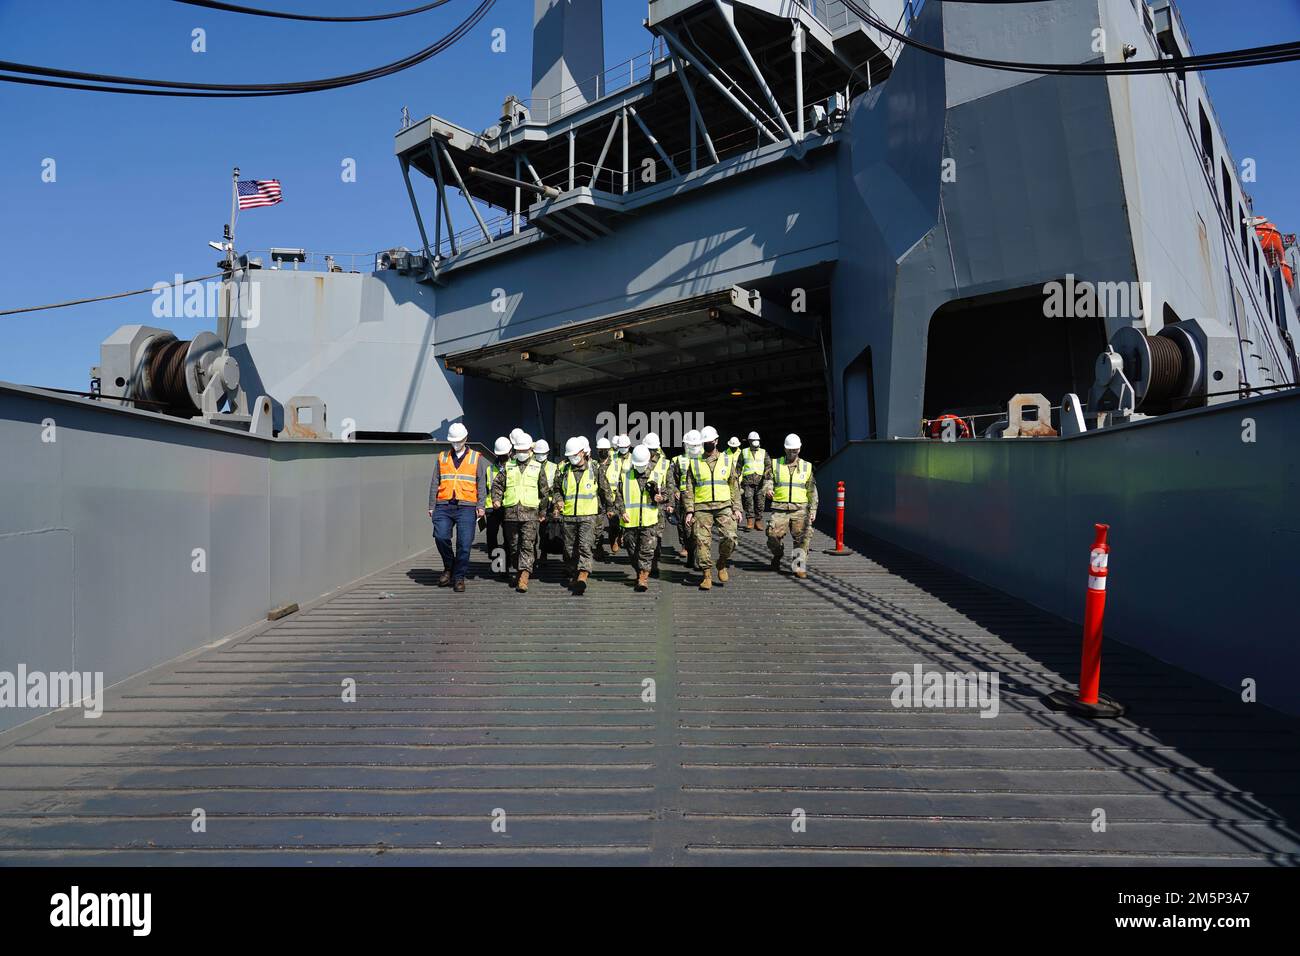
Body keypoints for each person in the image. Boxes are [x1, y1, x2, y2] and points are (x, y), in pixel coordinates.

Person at [427, 422, 488, 592]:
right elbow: (435, 482)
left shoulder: (476, 457)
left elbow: (481, 483)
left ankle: (459, 576)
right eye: (453, 441)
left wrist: (481, 505)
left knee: (464, 543)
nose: (456, 443)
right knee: (440, 536)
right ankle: (449, 566)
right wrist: (432, 505)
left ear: (465, 439)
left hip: (467, 506)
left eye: (459, 440)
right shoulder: (442, 457)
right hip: (444, 504)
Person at [550, 436, 613, 594]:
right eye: (570, 455)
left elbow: (605, 489)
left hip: (588, 515)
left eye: (575, 455)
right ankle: (573, 572)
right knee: (570, 549)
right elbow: (556, 489)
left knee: (585, 546)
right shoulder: (563, 469)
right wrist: (558, 501)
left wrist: (611, 507)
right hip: (569, 515)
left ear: (583, 453)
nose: (572, 458)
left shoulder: (595, 468)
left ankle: (583, 576)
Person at [682, 425, 741, 590]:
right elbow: (689, 488)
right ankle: (706, 574)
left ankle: (721, 563)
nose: (708, 444)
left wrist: (737, 508)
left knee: (730, 537)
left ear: (716, 441)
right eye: (705, 442)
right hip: (702, 507)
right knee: (701, 542)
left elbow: (734, 486)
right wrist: (689, 510)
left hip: (724, 506)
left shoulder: (727, 461)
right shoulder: (694, 464)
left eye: (710, 441)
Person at [491, 432, 550, 592]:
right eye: (519, 451)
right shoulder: (508, 466)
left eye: (524, 450)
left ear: (530, 450)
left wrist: (543, 511)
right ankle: (519, 569)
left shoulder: (537, 467)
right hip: (510, 514)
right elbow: (497, 485)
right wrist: (496, 499)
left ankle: (524, 576)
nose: (521, 453)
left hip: (530, 514)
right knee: (514, 546)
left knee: (527, 545)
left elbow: (544, 492)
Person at [764, 433, 818, 579]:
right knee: (772, 535)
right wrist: (768, 488)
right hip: (780, 508)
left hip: (800, 509)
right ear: (785, 449)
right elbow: (768, 480)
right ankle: (778, 554)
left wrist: (813, 509)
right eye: (789, 450)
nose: (792, 453)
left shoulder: (807, 467)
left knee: (803, 538)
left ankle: (798, 566)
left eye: (794, 450)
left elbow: (812, 490)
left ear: (799, 449)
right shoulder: (776, 464)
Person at [616, 444, 667, 591]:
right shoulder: (625, 476)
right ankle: (639, 572)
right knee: (632, 551)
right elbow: (618, 496)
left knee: (647, 551)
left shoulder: (655, 476)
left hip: (649, 521)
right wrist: (622, 511)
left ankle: (643, 577)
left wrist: (660, 498)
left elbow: (666, 495)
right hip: (629, 521)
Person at [668, 431, 701, 565]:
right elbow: (671, 480)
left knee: (700, 528)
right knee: (684, 526)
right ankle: (687, 548)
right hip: (682, 498)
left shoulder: (704, 459)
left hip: (700, 497)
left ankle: (700, 557)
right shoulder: (677, 460)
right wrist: (675, 491)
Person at [642, 432, 672, 573]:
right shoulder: (638, 460)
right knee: (643, 535)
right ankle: (645, 561)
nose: (651, 453)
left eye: (653, 450)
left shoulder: (665, 463)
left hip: (658, 506)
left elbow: (670, 485)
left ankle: (653, 562)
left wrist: (667, 501)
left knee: (657, 534)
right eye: (649, 450)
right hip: (641, 505)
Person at [484, 436, 511, 571]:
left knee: (508, 536)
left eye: (504, 454)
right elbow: (485, 488)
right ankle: (496, 561)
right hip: (491, 507)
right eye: (500, 455)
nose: (502, 457)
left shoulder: (514, 467)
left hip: (508, 506)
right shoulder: (490, 469)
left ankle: (506, 563)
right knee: (491, 535)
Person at [533, 438, 560, 566]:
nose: (541, 455)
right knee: (531, 529)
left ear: (548, 453)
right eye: (538, 452)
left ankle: (543, 552)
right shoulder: (530, 465)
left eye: (543, 453)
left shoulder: (554, 467)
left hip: (548, 502)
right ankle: (532, 552)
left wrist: (555, 506)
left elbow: (556, 488)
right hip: (532, 501)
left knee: (545, 529)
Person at [595, 436, 622, 556]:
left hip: (612, 497)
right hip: (598, 498)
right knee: (598, 525)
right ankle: (598, 547)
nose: (602, 452)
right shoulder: (594, 465)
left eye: (604, 449)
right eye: (600, 450)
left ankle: (614, 541)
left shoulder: (615, 464)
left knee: (614, 523)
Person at [739, 431, 771, 531]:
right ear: (749, 441)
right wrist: (737, 479)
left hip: (760, 481)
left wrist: (767, 478)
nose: (755, 442)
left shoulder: (763, 452)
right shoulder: (744, 452)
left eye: (756, 440)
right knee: (748, 501)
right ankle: (750, 520)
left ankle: (758, 520)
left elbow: (768, 465)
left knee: (760, 502)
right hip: (748, 481)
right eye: (753, 440)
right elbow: (738, 466)